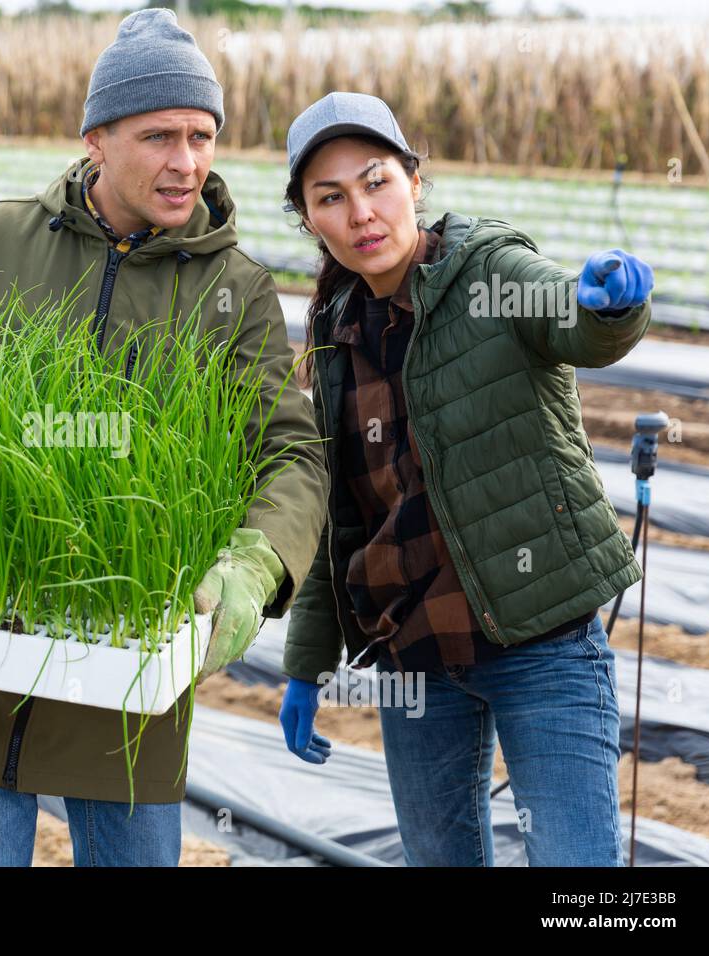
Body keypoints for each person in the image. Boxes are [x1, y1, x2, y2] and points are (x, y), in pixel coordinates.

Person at [0, 9, 329, 867]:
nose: (187, 161)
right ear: (96, 139)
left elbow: (292, 450)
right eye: (159, 135)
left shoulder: (233, 290)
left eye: (202, 136)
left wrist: (254, 565)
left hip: (132, 674)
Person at [277, 92, 654, 866]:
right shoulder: (335, 327)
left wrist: (614, 305)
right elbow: (336, 514)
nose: (361, 213)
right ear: (309, 220)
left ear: (415, 180)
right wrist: (308, 665)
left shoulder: (489, 271)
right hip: (412, 655)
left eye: (376, 182)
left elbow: (573, 325)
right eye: (331, 198)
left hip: (539, 640)